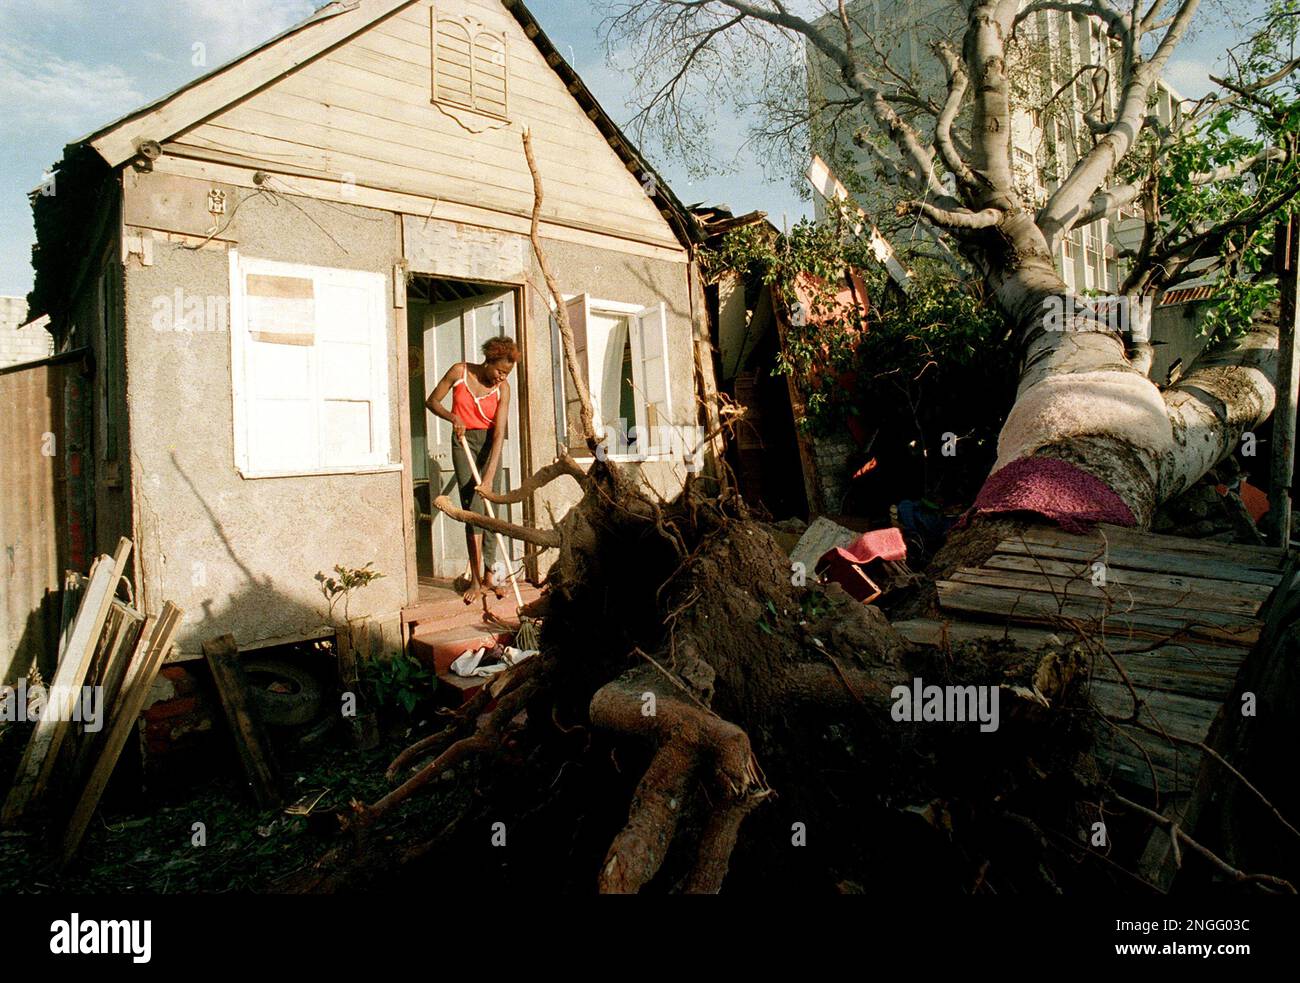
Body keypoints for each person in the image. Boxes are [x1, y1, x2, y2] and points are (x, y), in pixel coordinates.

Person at [426, 336, 518, 603]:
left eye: (507, 373)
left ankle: (490, 573)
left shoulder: (504, 388)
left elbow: (500, 433)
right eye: (500, 370)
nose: (502, 377)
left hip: (490, 443)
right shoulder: (460, 372)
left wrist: (488, 477)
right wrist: (453, 417)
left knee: (491, 507)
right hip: (464, 440)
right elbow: (432, 401)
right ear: (488, 361)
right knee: (472, 509)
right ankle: (475, 580)